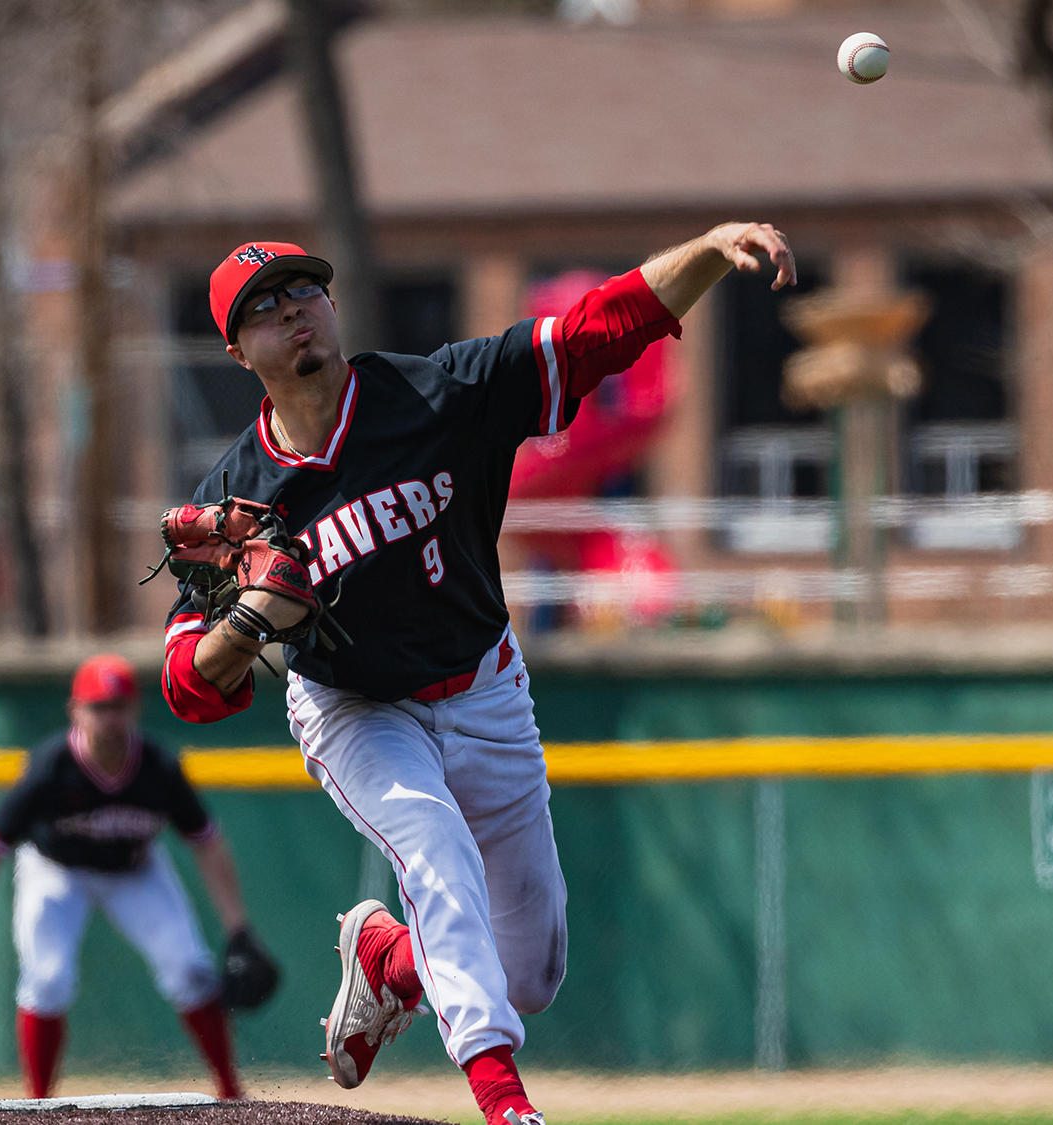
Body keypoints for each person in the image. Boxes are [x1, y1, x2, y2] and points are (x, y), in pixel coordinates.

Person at [158, 224, 795, 1125]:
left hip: (484, 683)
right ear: (236, 348)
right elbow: (187, 682)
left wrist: (705, 250)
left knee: (529, 969)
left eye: (302, 290)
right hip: (358, 707)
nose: (291, 311)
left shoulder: (438, 392)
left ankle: (391, 960)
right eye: (262, 308)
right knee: (436, 852)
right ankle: (506, 1107)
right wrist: (250, 620)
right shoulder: (242, 494)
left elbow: (590, 335)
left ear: (331, 303)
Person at [0, 654, 252, 1101]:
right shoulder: (51, 766)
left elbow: (206, 841)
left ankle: (231, 1096)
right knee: (47, 979)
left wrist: (237, 928)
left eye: (118, 706)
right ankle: (38, 1104)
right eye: (98, 707)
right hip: (57, 872)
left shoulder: (158, 767)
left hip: (135, 870)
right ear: (76, 711)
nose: (110, 718)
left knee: (190, 969)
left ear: (135, 708)